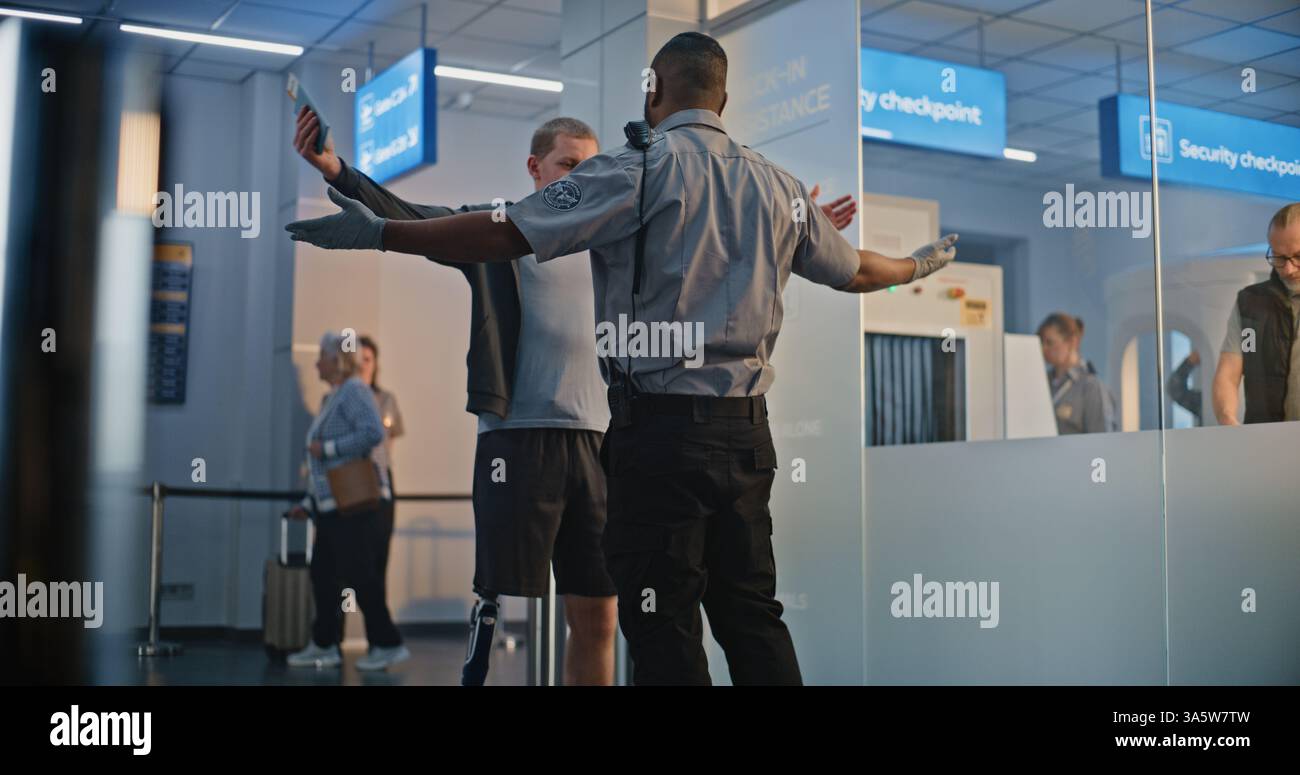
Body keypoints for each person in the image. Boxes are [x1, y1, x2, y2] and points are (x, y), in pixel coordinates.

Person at [286, 31, 955, 685]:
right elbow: (859, 270)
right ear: (723, 99)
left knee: (658, 621)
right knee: (751, 614)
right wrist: (916, 263)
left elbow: (508, 227)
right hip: (742, 434)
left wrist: (380, 237)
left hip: (656, 435)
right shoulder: (777, 188)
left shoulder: (636, 169)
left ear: (655, 89)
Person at [286, 332, 409, 671]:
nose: (316, 363)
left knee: (358, 573)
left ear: (336, 359)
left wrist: (326, 449)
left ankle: (386, 642)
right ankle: (325, 643)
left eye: (322, 356)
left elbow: (372, 432)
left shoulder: (354, 390)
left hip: (351, 505)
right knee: (324, 574)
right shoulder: (337, 395)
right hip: (332, 506)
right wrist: (310, 503)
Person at [1212, 202, 1300, 426]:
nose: (1288, 269)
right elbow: (1229, 374)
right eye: (1279, 257)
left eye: (1298, 256)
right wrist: (1227, 420)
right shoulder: (1251, 305)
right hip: (1263, 445)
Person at [358, 334, 402, 642]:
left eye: (368, 359)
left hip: (380, 483)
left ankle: (379, 640)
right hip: (350, 485)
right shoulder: (340, 397)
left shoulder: (385, 400)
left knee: (376, 563)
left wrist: (381, 480)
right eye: (357, 359)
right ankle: (329, 638)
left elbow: (389, 446)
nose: (362, 366)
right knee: (350, 564)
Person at [1037, 313, 1117, 435]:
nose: (1043, 349)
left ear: (1072, 342)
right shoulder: (1042, 384)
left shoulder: (1091, 387)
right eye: (1041, 343)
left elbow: (1103, 441)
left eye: (1049, 342)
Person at [1166, 351, 1202, 424]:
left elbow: (1175, 390)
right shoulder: (1208, 405)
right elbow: (1175, 390)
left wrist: (1189, 363)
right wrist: (1189, 363)